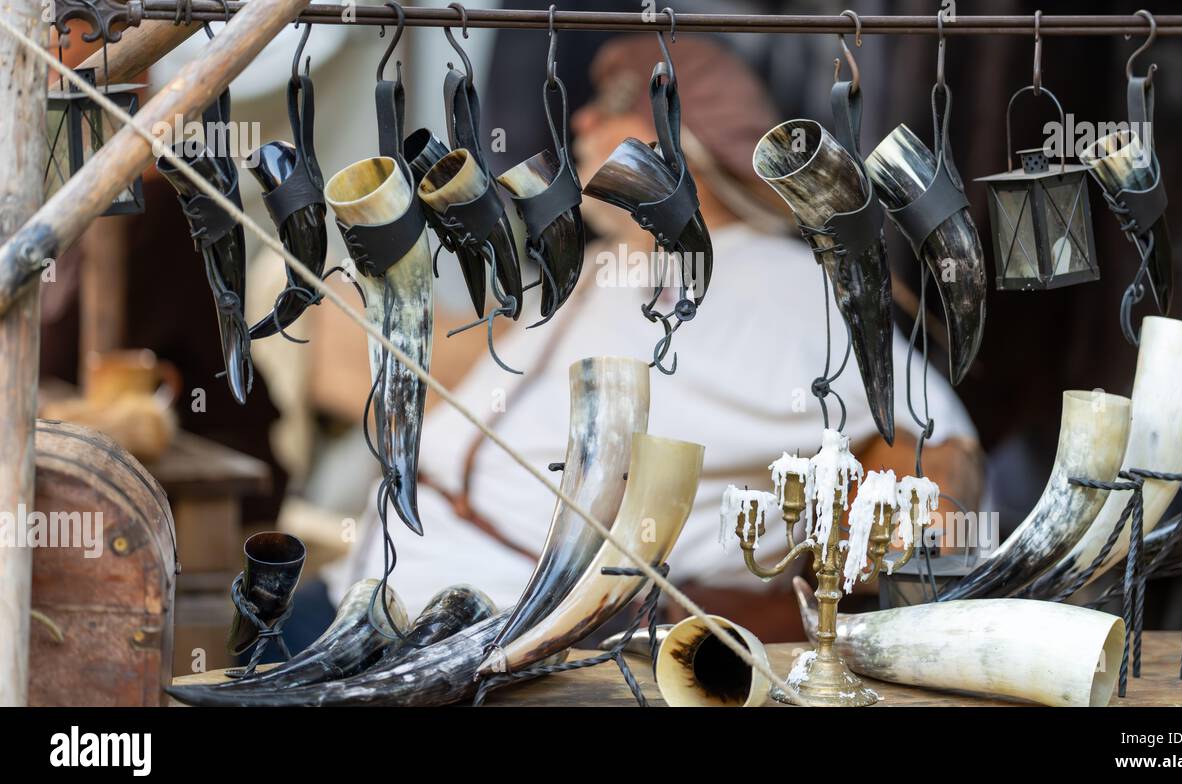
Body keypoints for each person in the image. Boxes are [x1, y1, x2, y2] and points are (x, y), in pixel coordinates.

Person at [316, 34, 981, 641]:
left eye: (613, 107)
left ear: (681, 141)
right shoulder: (607, 265)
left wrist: (838, 569)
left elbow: (937, 456)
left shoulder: (789, 288)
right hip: (384, 591)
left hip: (510, 631)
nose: (583, 122)